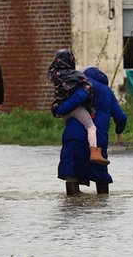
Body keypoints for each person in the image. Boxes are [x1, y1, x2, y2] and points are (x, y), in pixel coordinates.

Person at [49, 50, 109, 166]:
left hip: (61, 108)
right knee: (91, 127)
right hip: (76, 109)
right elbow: (88, 87)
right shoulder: (76, 75)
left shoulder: (54, 74)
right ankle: (94, 152)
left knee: (69, 128)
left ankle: (70, 149)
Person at [82, 66, 128, 194]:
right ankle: (103, 203)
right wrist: (119, 130)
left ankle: (74, 206)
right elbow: (121, 117)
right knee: (100, 171)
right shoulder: (107, 92)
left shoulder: (80, 86)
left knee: (73, 170)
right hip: (100, 136)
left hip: (79, 132)